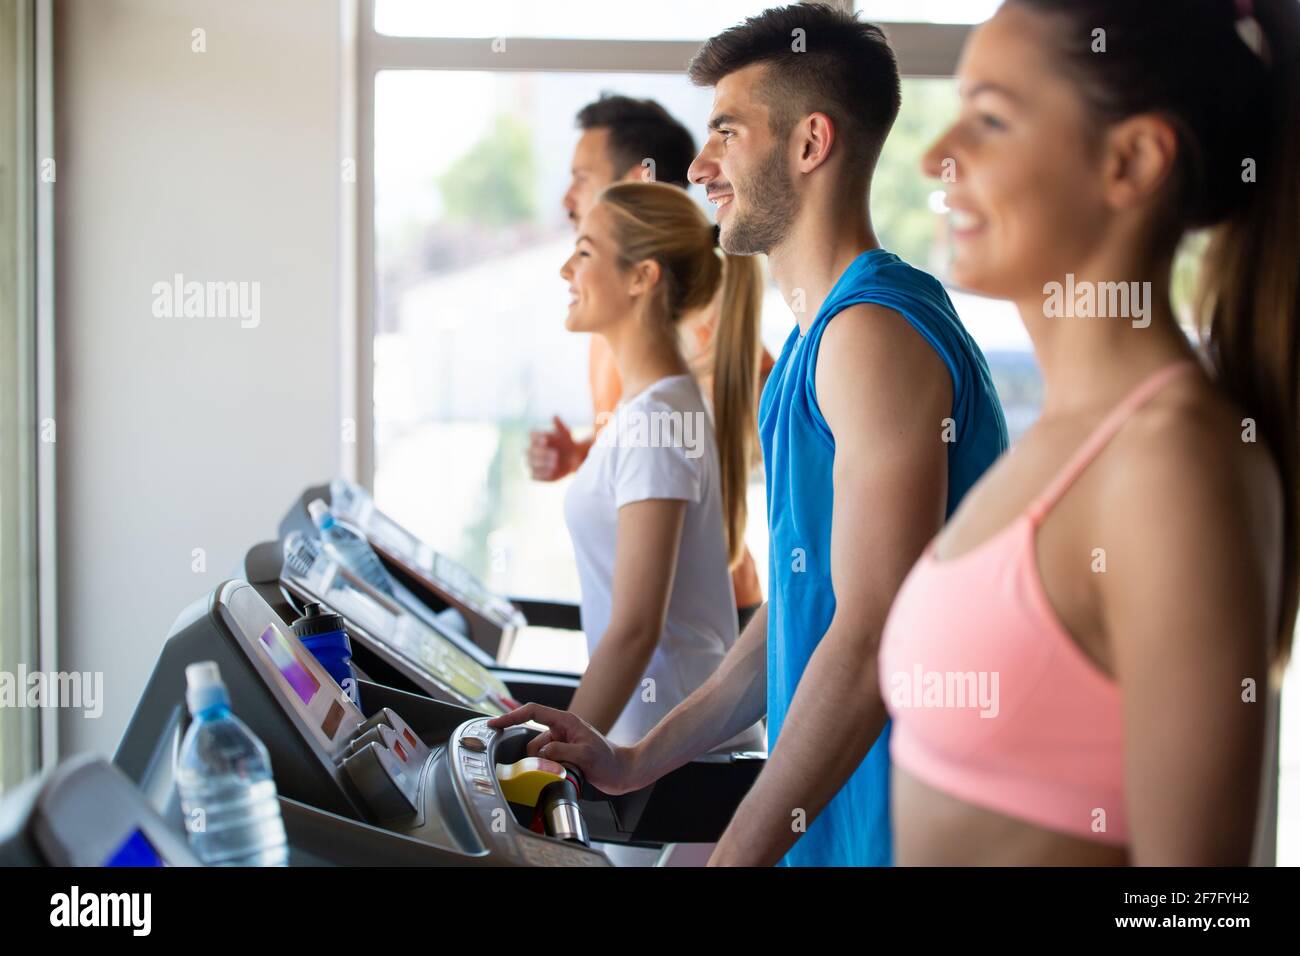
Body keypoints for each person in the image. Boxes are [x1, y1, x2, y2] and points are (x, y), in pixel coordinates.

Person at [493, 4, 1008, 866]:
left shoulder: (871, 333)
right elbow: (802, 607)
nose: (699, 167)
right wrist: (630, 758)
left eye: (726, 133)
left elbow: (873, 630)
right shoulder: (819, 340)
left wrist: (736, 856)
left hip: (903, 829)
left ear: (809, 144)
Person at [879, 0, 1297, 865]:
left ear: (1133, 159)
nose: (936, 155)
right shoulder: (1068, 435)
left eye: (990, 117)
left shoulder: (1168, 462)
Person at [531, 94, 772, 629]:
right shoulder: (612, 303)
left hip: (708, 609)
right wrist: (587, 454)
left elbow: (718, 424)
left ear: (639, 183)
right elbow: (656, 441)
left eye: (581, 178)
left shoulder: (690, 312)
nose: (569, 199)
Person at [558, 180, 766, 751]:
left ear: (641, 277)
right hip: (652, 741)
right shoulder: (653, 408)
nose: (564, 270)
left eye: (583, 252)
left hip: (671, 760)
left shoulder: (659, 419)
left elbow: (635, 630)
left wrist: (555, 761)